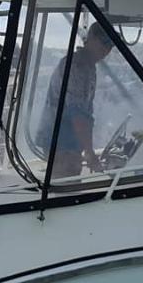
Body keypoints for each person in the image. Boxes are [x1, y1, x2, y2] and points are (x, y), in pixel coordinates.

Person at [35, 21, 115, 178]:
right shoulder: (76, 66)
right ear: (90, 39)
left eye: (111, 44)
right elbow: (77, 114)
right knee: (66, 191)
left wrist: (87, 148)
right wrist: (90, 152)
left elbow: (86, 112)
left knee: (70, 189)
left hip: (69, 141)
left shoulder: (89, 67)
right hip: (60, 143)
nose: (107, 49)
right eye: (104, 42)